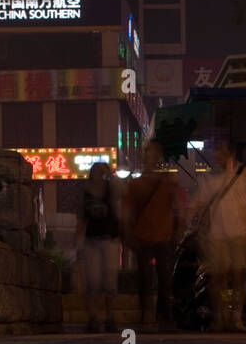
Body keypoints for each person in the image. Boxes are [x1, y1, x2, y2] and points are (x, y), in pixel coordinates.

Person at [194, 140, 246, 332]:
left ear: (231, 153)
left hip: (241, 233)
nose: (216, 155)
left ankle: (236, 318)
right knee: (217, 278)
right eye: (215, 152)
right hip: (216, 235)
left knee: (238, 277)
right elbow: (198, 206)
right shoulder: (208, 179)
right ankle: (220, 318)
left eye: (220, 151)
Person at [124, 139, 187, 331]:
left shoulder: (168, 181)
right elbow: (127, 211)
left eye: (154, 153)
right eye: (149, 153)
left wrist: (178, 231)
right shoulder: (137, 183)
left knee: (164, 279)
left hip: (163, 235)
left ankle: (162, 316)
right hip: (143, 235)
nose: (151, 157)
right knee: (145, 277)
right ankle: (147, 314)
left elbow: (179, 208)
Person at [79, 161, 121, 333]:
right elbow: (81, 217)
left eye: (102, 171)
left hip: (109, 238)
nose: (98, 174)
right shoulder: (86, 193)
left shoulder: (113, 191)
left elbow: (120, 209)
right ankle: (93, 317)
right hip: (91, 240)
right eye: (95, 171)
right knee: (93, 281)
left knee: (110, 280)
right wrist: (76, 241)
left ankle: (110, 317)